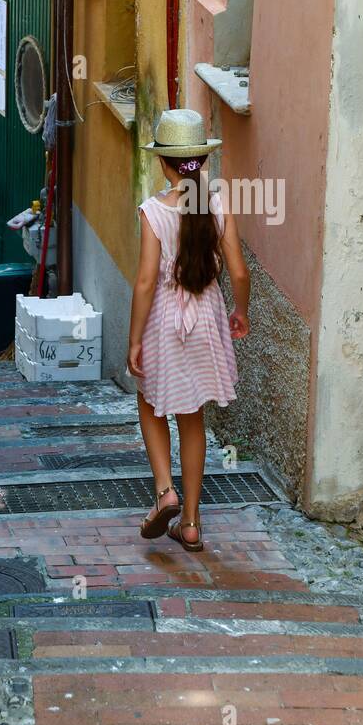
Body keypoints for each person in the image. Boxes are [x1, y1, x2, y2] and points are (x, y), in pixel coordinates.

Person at [128, 109, 250, 552]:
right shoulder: (217, 203)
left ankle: (165, 491)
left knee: (149, 400)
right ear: (202, 161)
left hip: (165, 320)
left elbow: (145, 282)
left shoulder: (153, 212)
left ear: (164, 162)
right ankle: (193, 523)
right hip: (208, 319)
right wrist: (241, 312)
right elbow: (238, 270)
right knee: (192, 415)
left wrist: (135, 338)